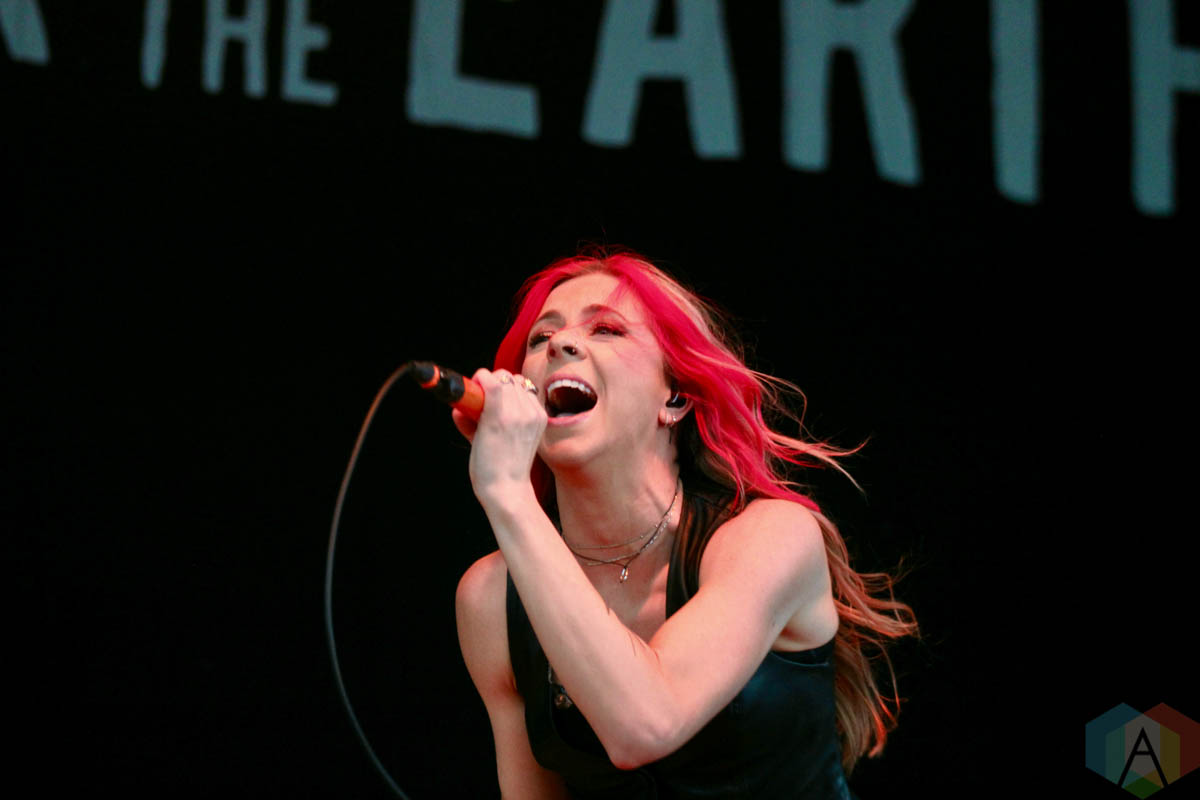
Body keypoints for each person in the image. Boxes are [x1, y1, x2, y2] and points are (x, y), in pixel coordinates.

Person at [452, 250, 917, 798]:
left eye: (607, 329)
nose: (560, 344)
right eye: (540, 338)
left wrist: (509, 496)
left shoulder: (771, 538)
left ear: (673, 397)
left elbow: (645, 725)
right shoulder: (492, 598)